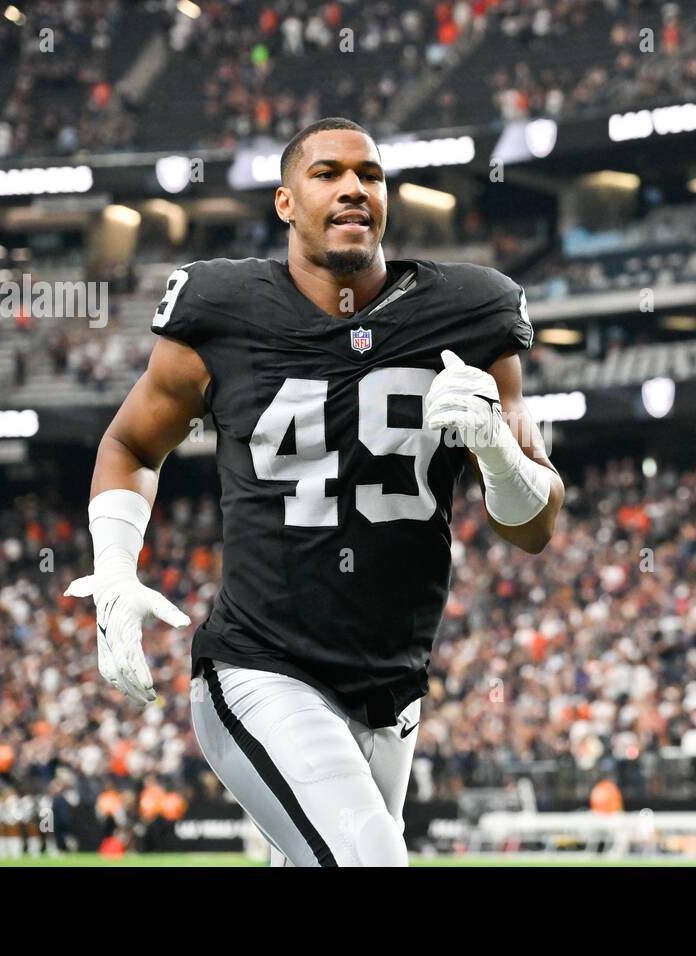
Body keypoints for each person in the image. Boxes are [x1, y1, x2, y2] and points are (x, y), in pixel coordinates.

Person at [64, 117, 563, 867]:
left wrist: (496, 452)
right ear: (286, 202)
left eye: (370, 174)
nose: (354, 187)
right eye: (328, 173)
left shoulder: (469, 312)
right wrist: (113, 571)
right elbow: (132, 443)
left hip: (395, 687)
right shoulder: (223, 310)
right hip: (261, 667)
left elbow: (535, 525)